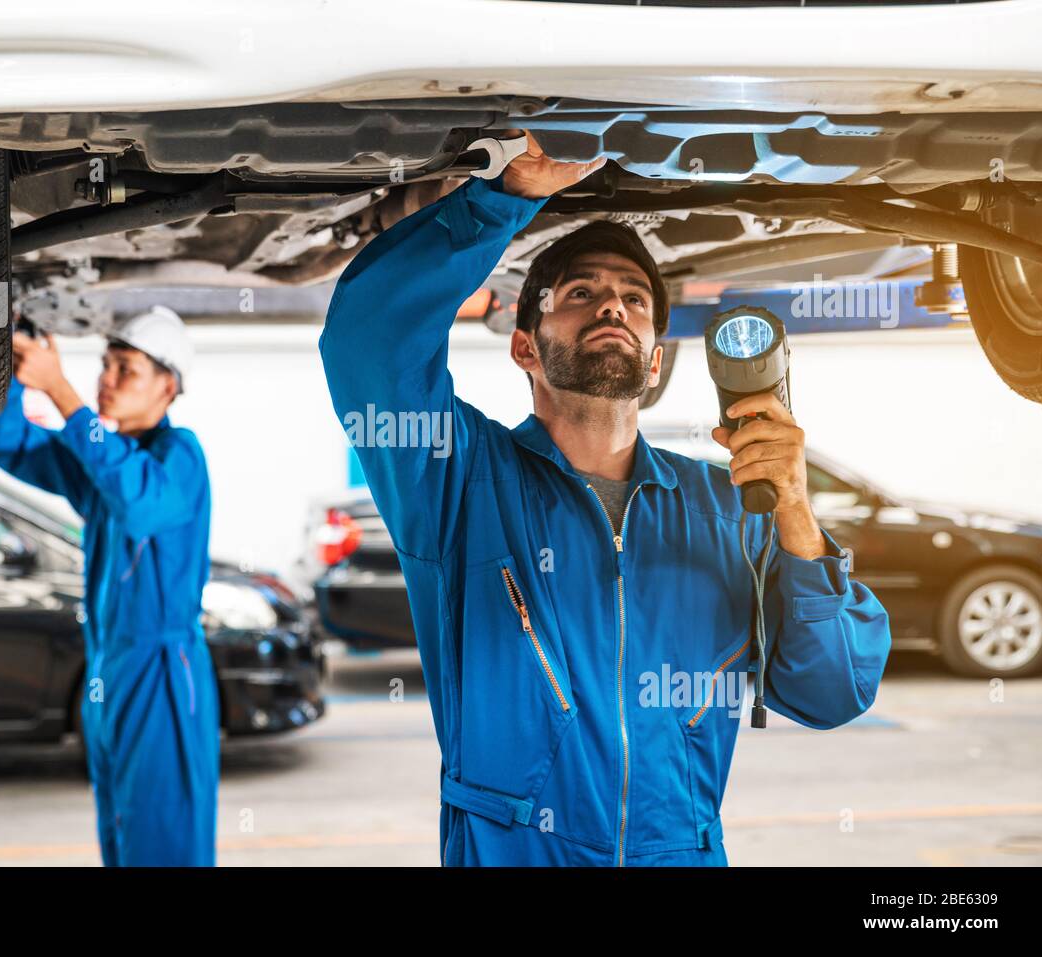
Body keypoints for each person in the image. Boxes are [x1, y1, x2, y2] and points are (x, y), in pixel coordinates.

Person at [319, 133, 891, 866]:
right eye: (580, 293)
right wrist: (507, 196)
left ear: (655, 363)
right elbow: (370, 341)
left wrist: (796, 514)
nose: (610, 308)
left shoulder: (729, 510)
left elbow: (834, 690)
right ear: (525, 345)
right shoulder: (460, 480)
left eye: (633, 299)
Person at [0, 305, 218, 866]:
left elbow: (138, 503)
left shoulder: (179, 457)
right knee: (122, 834)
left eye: (125, 369)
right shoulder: (99, 460)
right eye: (104, 365)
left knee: (163, 840)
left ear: (168, 386)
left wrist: (60, 390)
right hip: (108, 671)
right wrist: (7, 365)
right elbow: (8, 441)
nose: (105, 380)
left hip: (162, 674)